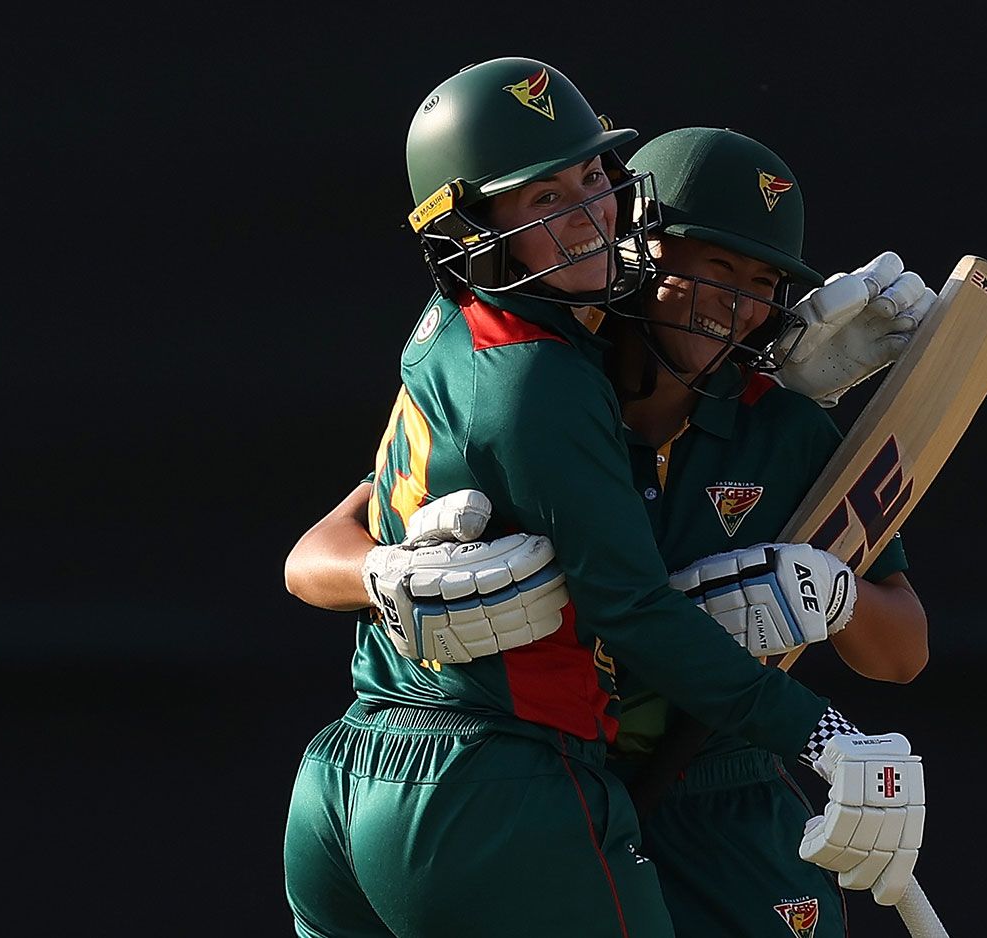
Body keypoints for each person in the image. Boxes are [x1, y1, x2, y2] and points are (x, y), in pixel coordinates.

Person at [281, 58, 924, 938]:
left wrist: (834, 588)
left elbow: (904, 646)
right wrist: (824, 737)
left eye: (591, 180)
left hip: (368, 778)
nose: (727, 305)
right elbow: (630, 607)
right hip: (507, 775)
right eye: (543, 198)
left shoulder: (468, 334)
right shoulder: (548, 376)